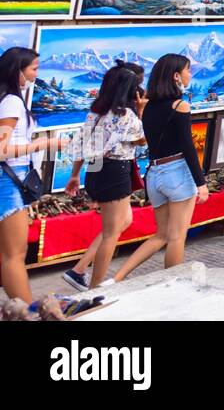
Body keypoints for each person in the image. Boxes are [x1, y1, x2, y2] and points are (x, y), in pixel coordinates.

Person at [115, 54, 209, 281]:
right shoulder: (180, 106)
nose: (190, 75)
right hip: (177, 173)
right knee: (177, 237)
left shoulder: (148, 107)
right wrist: (201, 182)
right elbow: (188, 147)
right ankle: (174, 287)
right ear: (176, 76)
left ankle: (116, 278)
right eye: (187, 70)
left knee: (162, 235)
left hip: (155, 174)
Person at [62, 62, 146, 291]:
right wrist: (141, 111)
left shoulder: (95, 112)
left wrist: (74, 175)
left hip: (95, 169)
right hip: (115, 171)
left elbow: (81, 144)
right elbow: (142, 140)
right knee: (111, 234)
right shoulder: (127, 115)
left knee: (123, 221)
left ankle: (79, 270)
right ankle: (95, 287)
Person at [0, 47, 56, 304]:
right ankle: (28, 313)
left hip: (11, 179)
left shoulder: (8, 99)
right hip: (9, 181)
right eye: (34, 68)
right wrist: (43, 144)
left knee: (10, 253)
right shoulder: (11, 101)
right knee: (14, 255)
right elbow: (2, 151)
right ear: (18, 71)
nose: (36, 74)